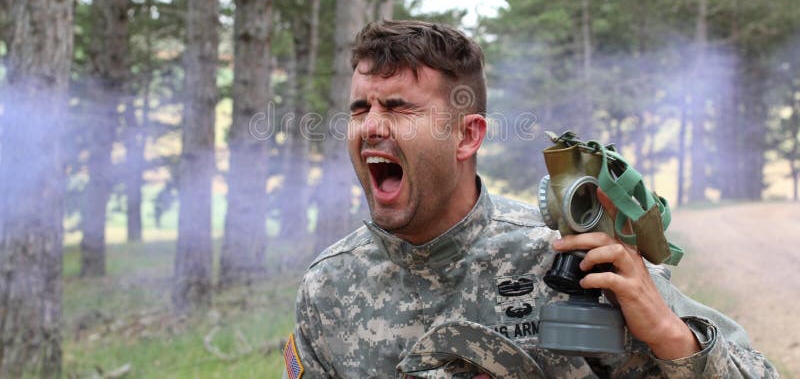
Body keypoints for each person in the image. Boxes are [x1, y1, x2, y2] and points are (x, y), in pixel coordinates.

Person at [283, 19, 777, 378]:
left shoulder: (572, 260)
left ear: (466, 136)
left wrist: (671, 336)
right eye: (359, 108)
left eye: (397, 107)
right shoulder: (328, 289)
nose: (370, 126)